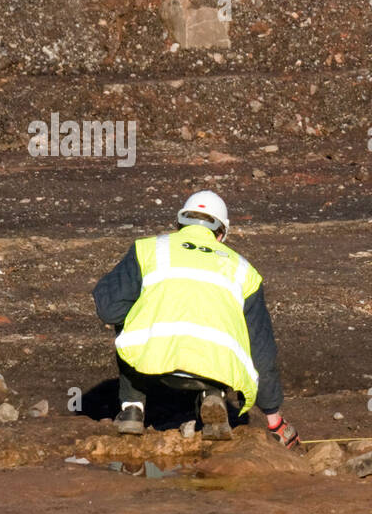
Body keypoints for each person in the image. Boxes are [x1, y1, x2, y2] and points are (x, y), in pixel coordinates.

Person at [92, 191, 298, 446]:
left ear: (179, 226)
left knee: (129, 314)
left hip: (152, 364)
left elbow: (108, 310)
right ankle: (212, 395)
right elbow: (261, 352)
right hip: (213, 368)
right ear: (221, 234)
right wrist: (274, 420)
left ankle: (133, 409)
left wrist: (148, 310)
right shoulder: (244, 271)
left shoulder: (147, 249)